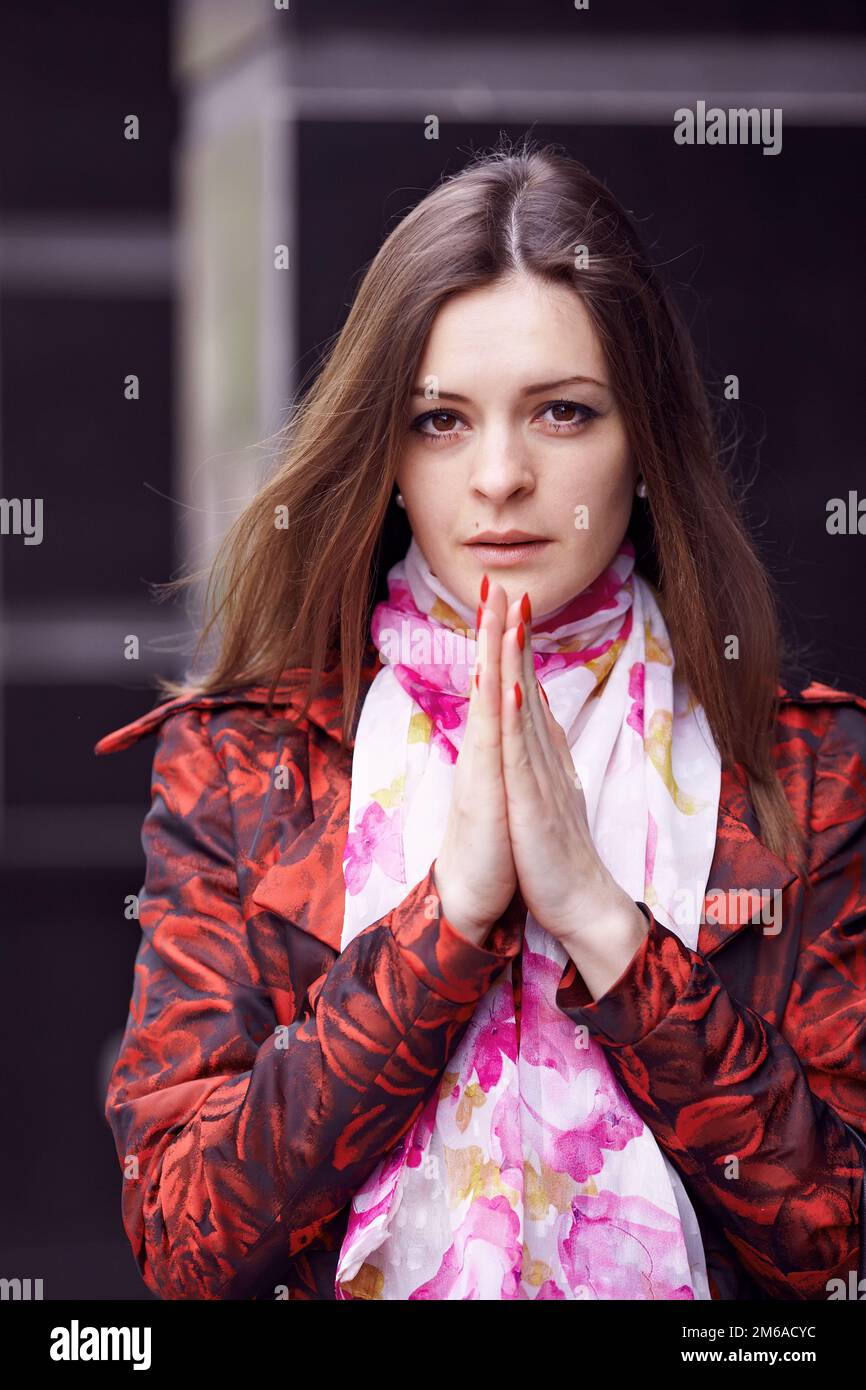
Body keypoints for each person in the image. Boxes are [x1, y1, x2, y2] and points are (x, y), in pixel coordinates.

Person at [96, 139, 866, 1301]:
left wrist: (604, 925)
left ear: (643, 445)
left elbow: (831, 1231)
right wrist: (444, 924)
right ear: (388, 455)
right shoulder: (246, 762)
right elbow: (186, 1242)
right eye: (442, 421)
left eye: (561, 412)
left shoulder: (803, 769)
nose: (498, 474)